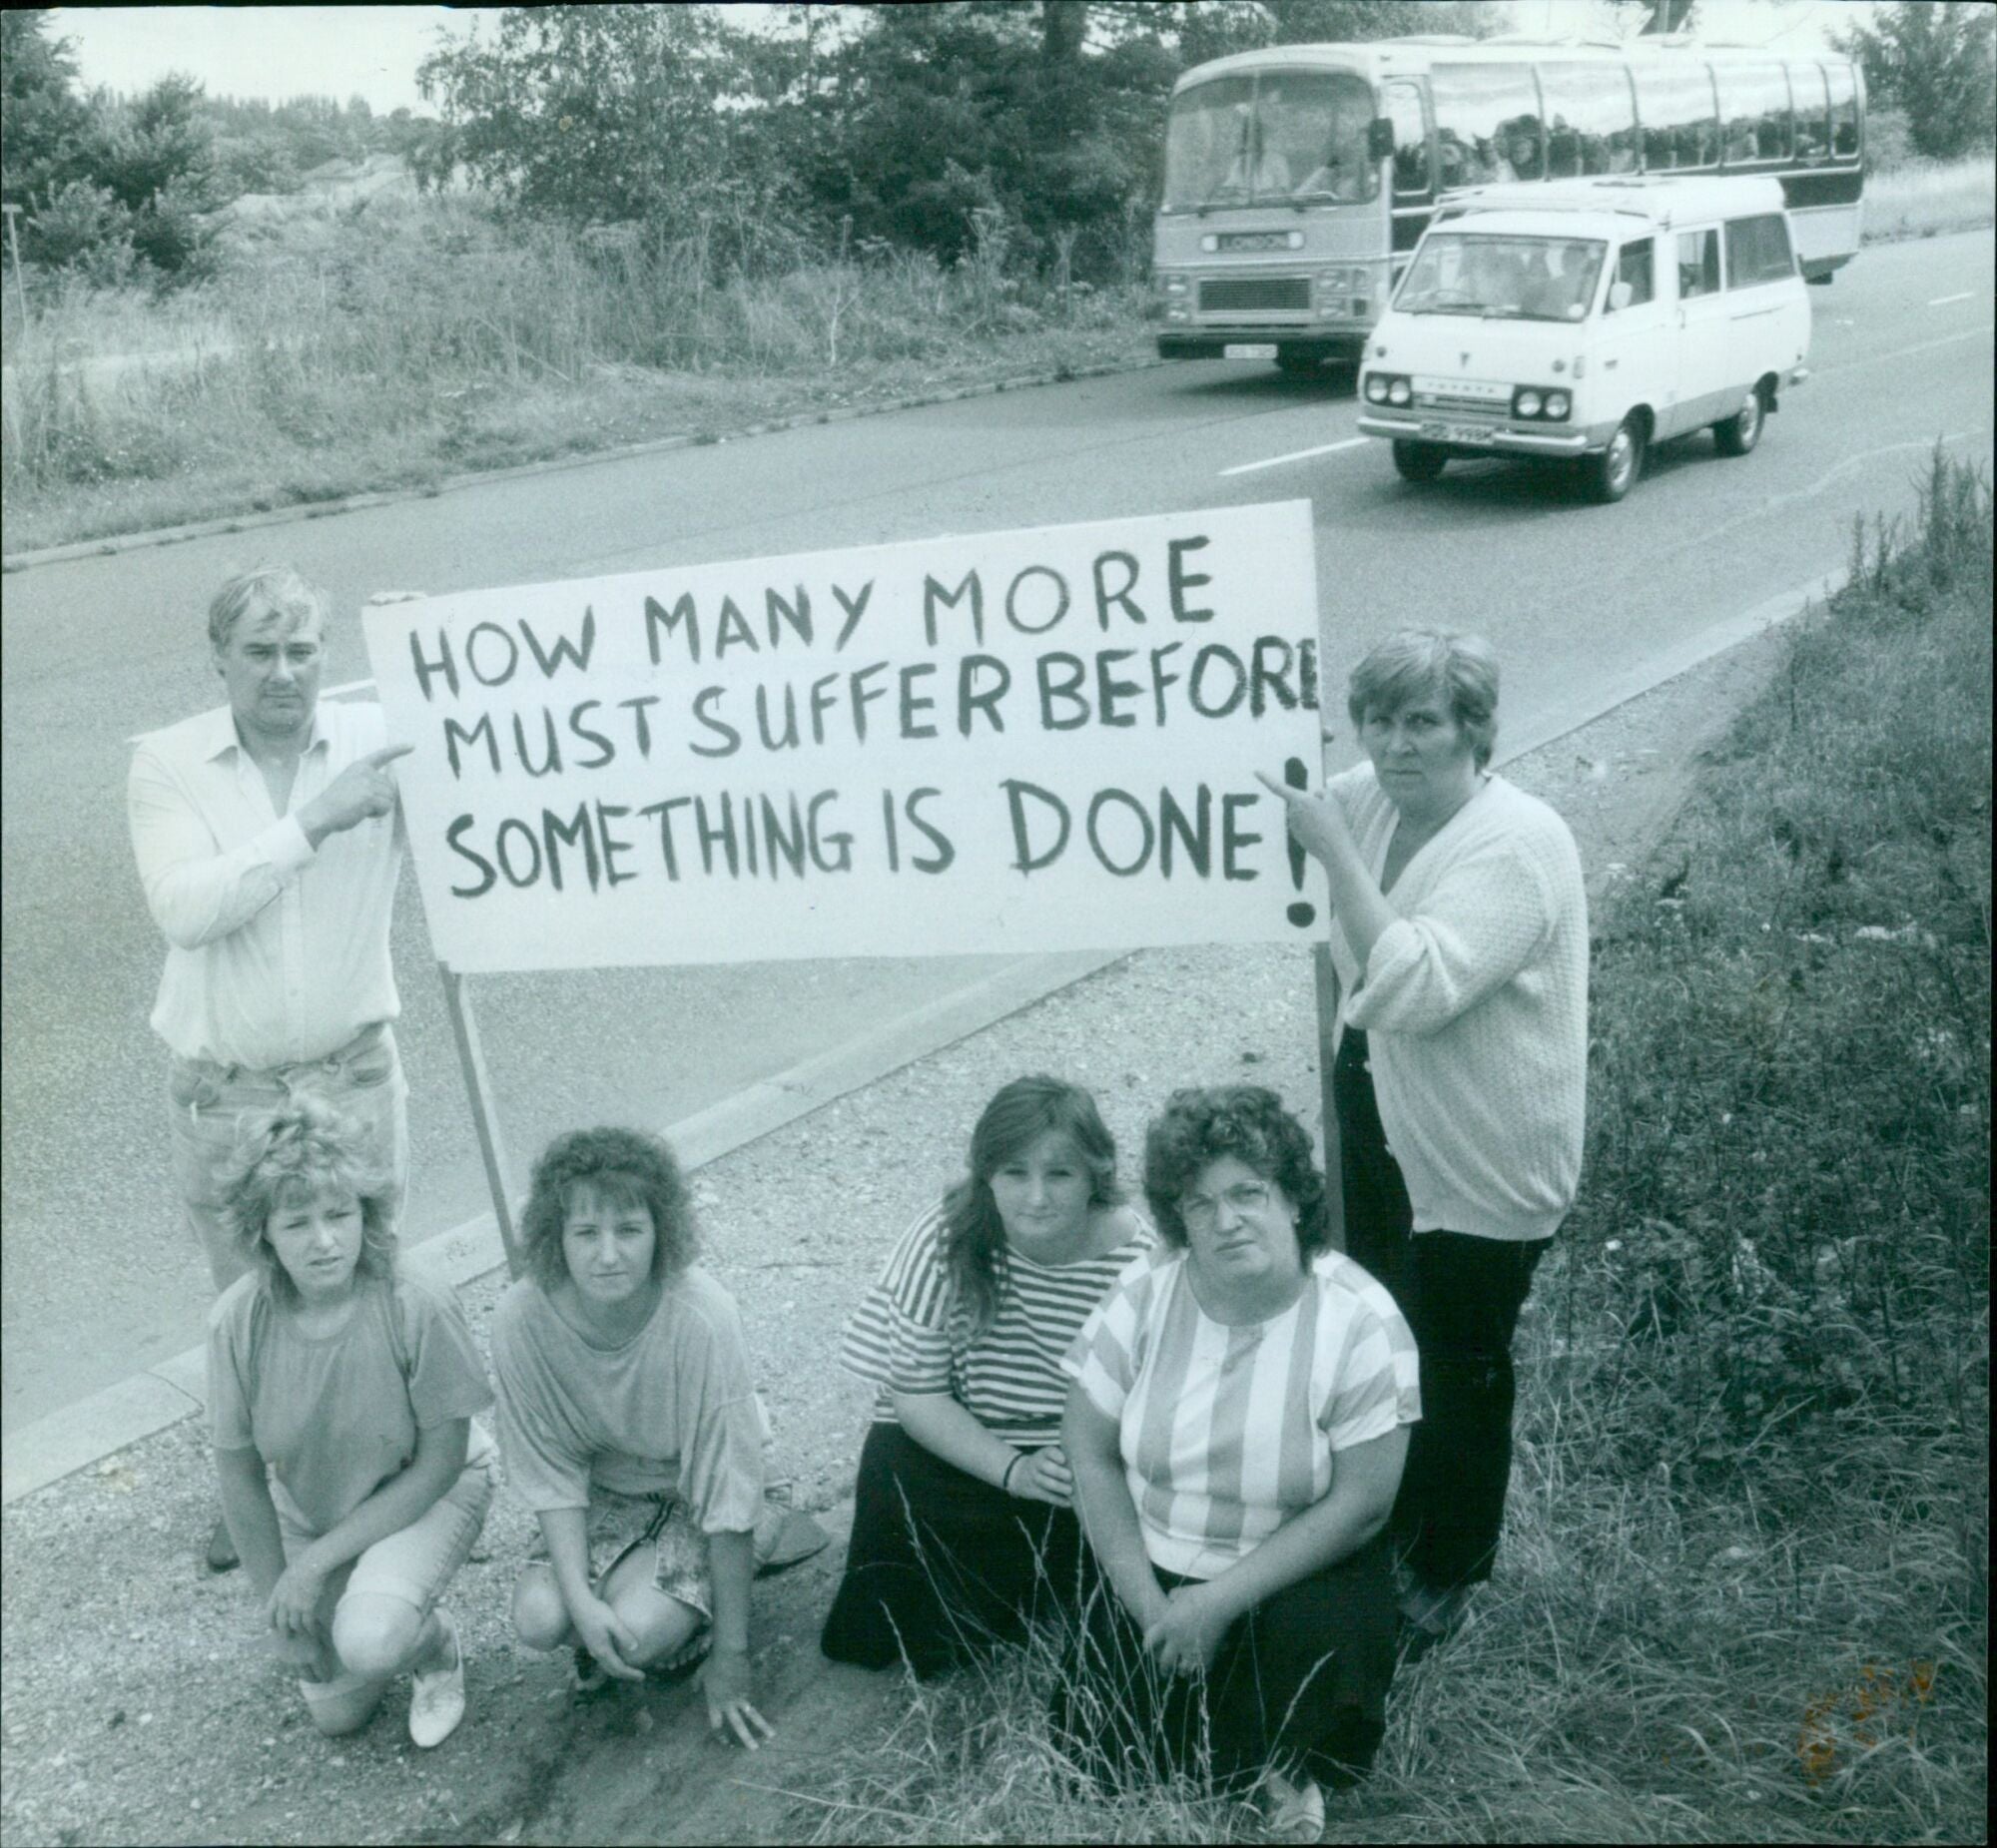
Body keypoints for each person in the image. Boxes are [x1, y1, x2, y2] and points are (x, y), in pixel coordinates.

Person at [1259, 630, 1588, 1651]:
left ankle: (1446, 1570)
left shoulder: (1516, 844)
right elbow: (1282, 823)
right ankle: (1383, 1521)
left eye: (1424, 722)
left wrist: (1329, 851)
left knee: (1454, 1360)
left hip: (1479, 1152)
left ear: (1471, 731)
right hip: (1380, 1112)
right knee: (1374, 1337)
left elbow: (1408, 984)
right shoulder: (1367, 795)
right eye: (1380, 720)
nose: (1396, 745)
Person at [130, 564, 414, 1572]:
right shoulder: (168, 765)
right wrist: (316, 820)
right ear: (219, 659)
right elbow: (185, 909)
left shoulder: (383, 732)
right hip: (229, 1092)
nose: (283, 672)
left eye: (302, 650)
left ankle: (397, 1496)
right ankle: (261, 1502)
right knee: (253, 1307)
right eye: (260, 651)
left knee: (369, 1283)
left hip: (351, 1074)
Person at [1057, 1086, 1419, 1839]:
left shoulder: (1361, 1319)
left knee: (1304, 1674)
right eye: (1198, 1203)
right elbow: (1086, 1448)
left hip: (1293, 1575)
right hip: (1155, 1565)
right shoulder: (1143, 1295)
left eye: (1247, 1192)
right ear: (1177, 1218)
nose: (1226, 1220)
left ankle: (1287, 1765)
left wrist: (1214, 1604)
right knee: (1101, 1758)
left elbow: (1364, 1505)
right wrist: (1151, 1606)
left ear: (1291, 1197)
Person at [821, 1075, 1152, 1679]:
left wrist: (1069, 1461)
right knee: (891, 1462)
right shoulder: (945, 1237)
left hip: (1072, 1451)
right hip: (958, 1440)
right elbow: (916, 1394)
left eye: (1061, 1175)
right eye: (1014, 1173)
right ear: (986, 1174)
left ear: (1096, 1175)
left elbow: (1145, 1402)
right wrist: (1012, 1470)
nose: (1036, 1197)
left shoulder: (1138, 1261)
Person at [207, 1097, 496, 1748]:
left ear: (367, 1209)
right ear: (264, 1233)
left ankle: (434, 1646)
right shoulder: (236, 1322)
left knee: (369, 1642)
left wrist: (309, 1571)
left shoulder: (415, 1298)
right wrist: (275, 1601)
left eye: (340, 1213)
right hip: (318, 1505)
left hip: (427, 1491)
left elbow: (441, 1462)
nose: (326, 1239)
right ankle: (379, 1593)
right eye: (298, 1221)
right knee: (335, 1713)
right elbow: (241, 1474)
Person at [491, 1126, 778, 1749]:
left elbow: (725, 1490)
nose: (608, 1254)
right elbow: (551, 1474)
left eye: (629, 1230)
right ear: (555, 1238)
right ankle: (618, 1619)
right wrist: (579, 1600)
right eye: (585, 1233)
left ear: (662, 1233)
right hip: (607, 1493)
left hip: (688, 1496)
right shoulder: (521, 1320)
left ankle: (710, 1604)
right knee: (540, 1619)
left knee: (638, 1635)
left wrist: (733, 1654)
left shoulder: (702, 1318)